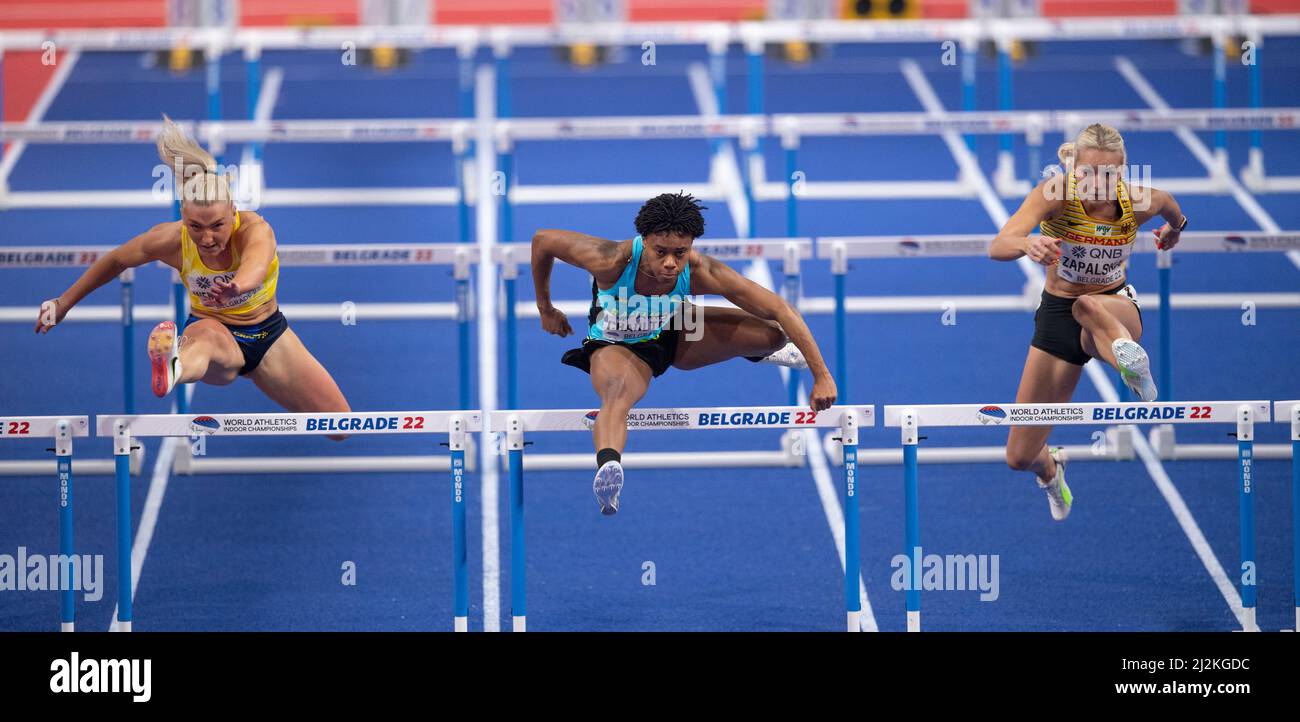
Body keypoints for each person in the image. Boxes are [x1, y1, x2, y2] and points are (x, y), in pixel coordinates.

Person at [35, 117, 350, 431]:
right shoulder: (172, 240)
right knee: (208, 338)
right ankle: (173, 367)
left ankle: (194, 364)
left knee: (339, 427)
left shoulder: (256, 230)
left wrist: (237, 286)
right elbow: (116, 260)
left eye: (217, 226)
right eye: (195, 227)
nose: (207, 238)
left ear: (233, 212)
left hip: (268, 335)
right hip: (212, 334)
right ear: (183, 217)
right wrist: (63, 303)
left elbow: (256, 265)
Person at [533, 192, 837, 515]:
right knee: (617, 395)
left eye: (680, 253)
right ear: (643, 240)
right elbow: (543, 241)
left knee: (771, 335)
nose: (669, 263)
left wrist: (822, 375)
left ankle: (760, 353)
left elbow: (780, 307)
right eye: (660, 252)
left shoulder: (699, 270)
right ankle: (609, 471)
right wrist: (545, 308)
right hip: (616, 346)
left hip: (677, 331)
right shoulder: (610, 260)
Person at [990, 123, 1187, 521]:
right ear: (1073, 168)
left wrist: (1175, 230)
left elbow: (1171, 208)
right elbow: (998, 245)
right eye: (1089, 173)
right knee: (1019, 455)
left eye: (1110, 174)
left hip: (1115, 308)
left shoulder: (1140, 201)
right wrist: (1027, 243)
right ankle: (1051, 469)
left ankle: (1134, 368)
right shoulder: (1055, 196)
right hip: (1057, 318)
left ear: (1123, 172)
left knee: (1089, 306)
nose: (1099, 183)